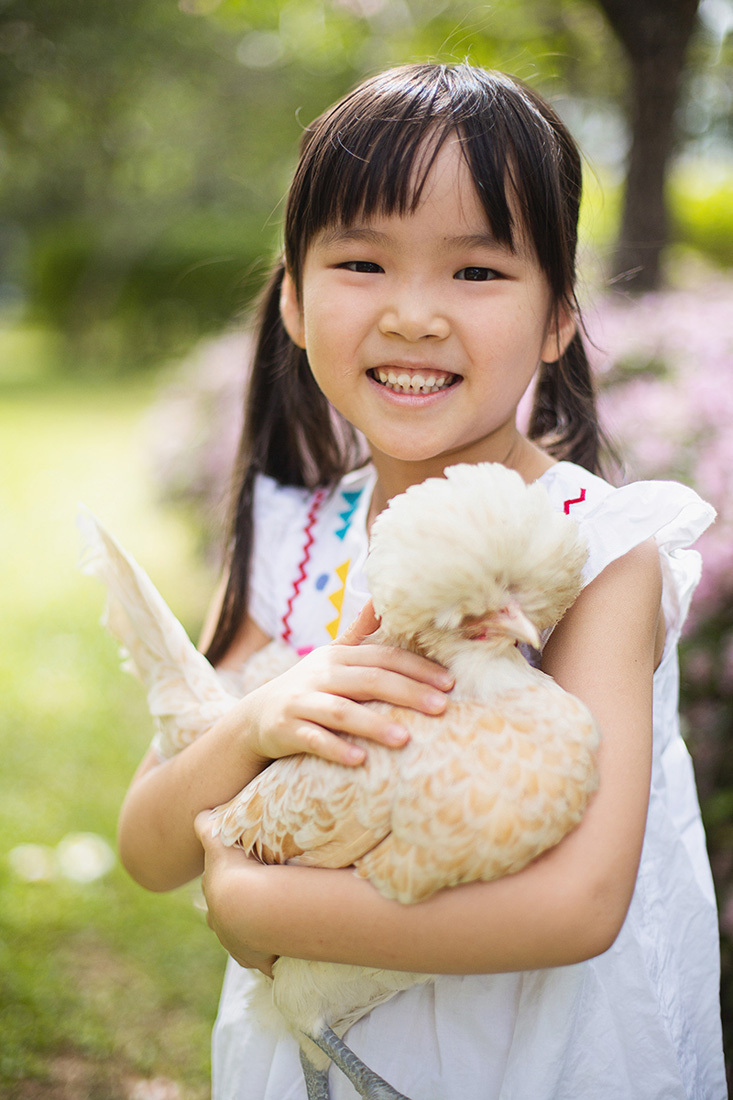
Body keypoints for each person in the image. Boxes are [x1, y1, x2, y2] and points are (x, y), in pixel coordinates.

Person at [115, 63, 726, 1098]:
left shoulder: (588, 552)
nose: (411, 314)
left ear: (556, 318)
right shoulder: (301, 536)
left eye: (475, 272)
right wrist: (257, 722)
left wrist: (253, 902)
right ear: (296, 301)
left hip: (535, 1066)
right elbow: (148, 841)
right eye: (361, 262)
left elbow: (578, 906)